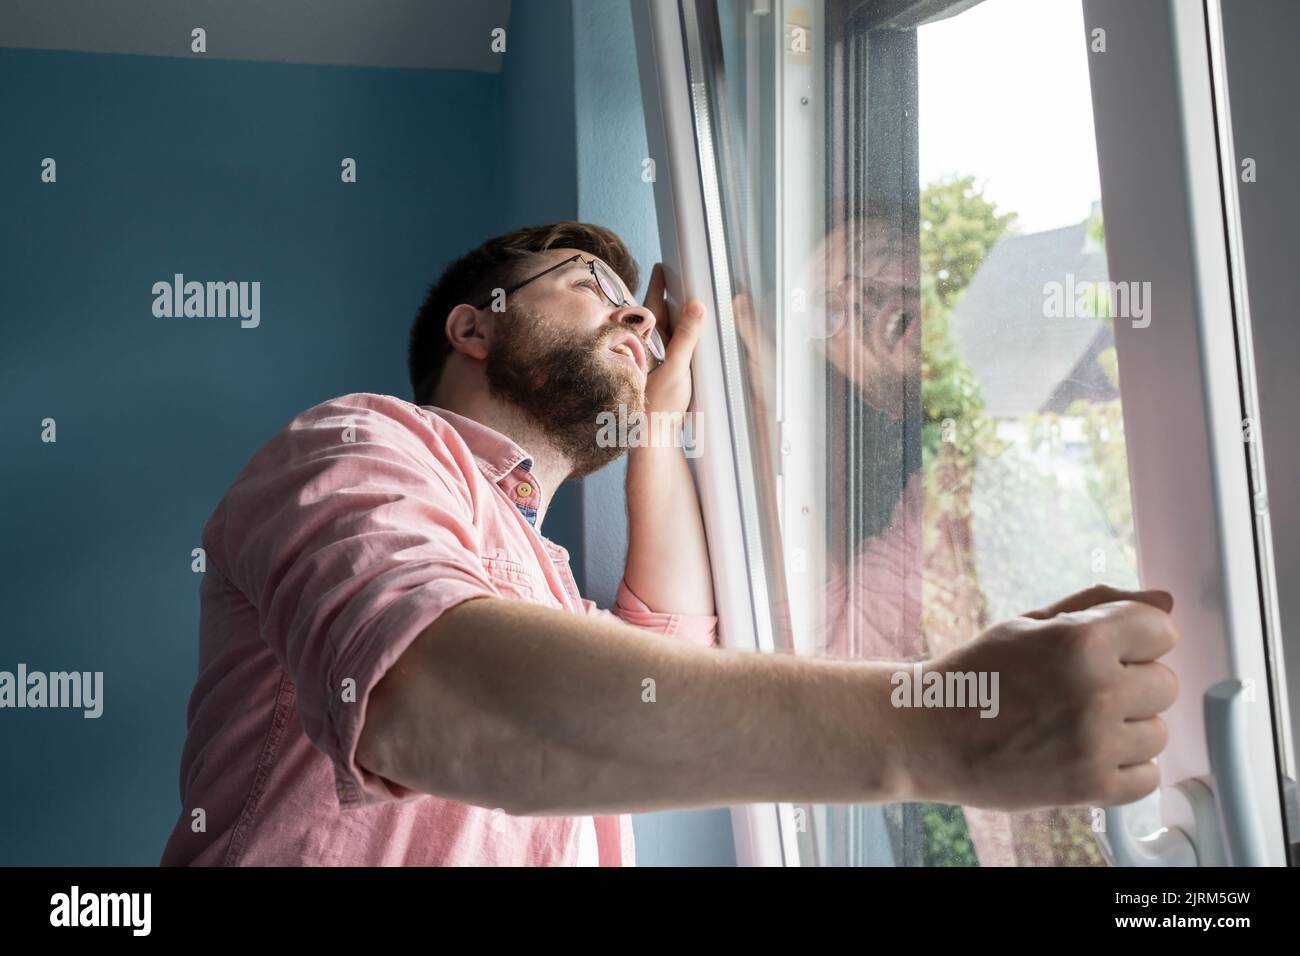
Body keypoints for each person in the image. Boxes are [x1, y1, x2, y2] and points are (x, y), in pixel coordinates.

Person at [161, 221, 1178, 867]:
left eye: (637, 309)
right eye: (588, 282)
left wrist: (659, 418)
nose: (634, 314)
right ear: (474, 329)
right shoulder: (355, 442)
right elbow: (428, 698)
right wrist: (938, 732)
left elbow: (669, 664)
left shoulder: (540, 579)